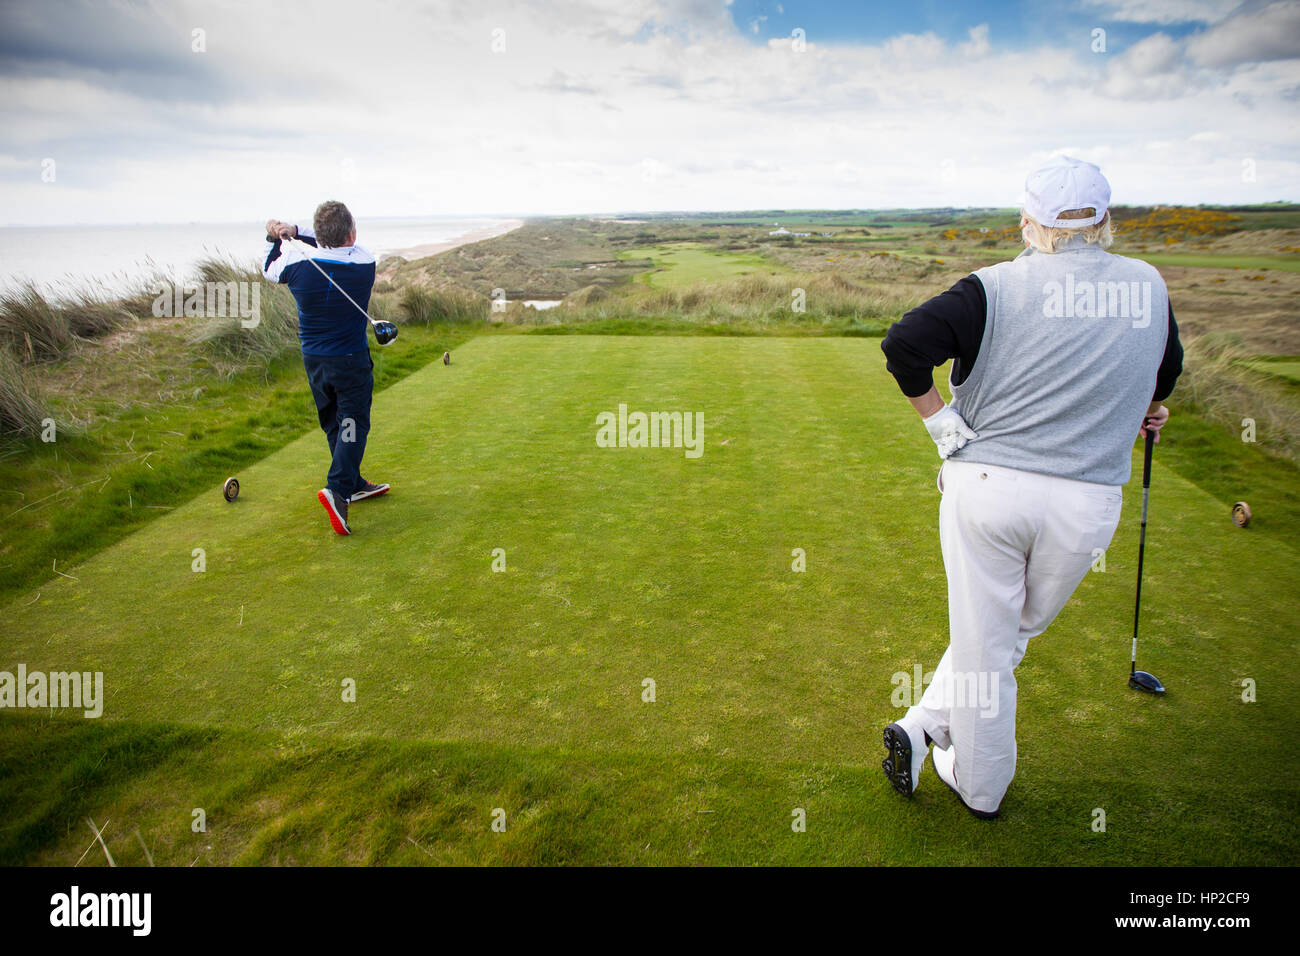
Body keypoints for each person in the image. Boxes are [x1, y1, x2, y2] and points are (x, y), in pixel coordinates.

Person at [878, 156, 1183, 818]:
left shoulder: (988, 288)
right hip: (1087, 502)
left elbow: (904, 344)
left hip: (986, 488)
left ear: (1028, 223)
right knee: (1003, 638)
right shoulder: (1149, 285)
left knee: (994, 640)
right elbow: (1163, 375)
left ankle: (944, 747)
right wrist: (1145, 410)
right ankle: (956, 759)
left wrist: (942, 424)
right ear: (1104, 222)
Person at [263, 201, 388, 536]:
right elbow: (325, 241)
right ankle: (338, 489)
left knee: (335, 420)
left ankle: (354, 482)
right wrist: (296, 231)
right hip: (350, 359)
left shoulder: (294, 263)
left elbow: (269, 269)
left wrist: (278, 236)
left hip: (313, 359)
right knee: (353, 421)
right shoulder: (365, 261)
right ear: (352, 233)